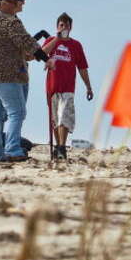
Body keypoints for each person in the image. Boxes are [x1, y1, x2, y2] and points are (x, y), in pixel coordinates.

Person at [0, 0, 56, 163]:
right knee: (17, 113)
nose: (18, 4)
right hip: (6, 76)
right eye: (14, 1)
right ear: (3, 3)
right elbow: (27, 42)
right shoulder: (10, 22)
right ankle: (12, 150)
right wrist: (47, 59)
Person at [41, 12, 93, 161]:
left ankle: (62, 147)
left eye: (67, 25)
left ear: (71, 27)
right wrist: (56, 39)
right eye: (61, 25)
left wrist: (88, 86)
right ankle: (58, 147)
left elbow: (82, 67)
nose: (64, 27)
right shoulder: (51, 40)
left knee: (64, 115)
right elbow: (41, 54)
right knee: (55, 118)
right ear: (57, 26)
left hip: (68, 86)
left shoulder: (76, 45)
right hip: (52, 86)